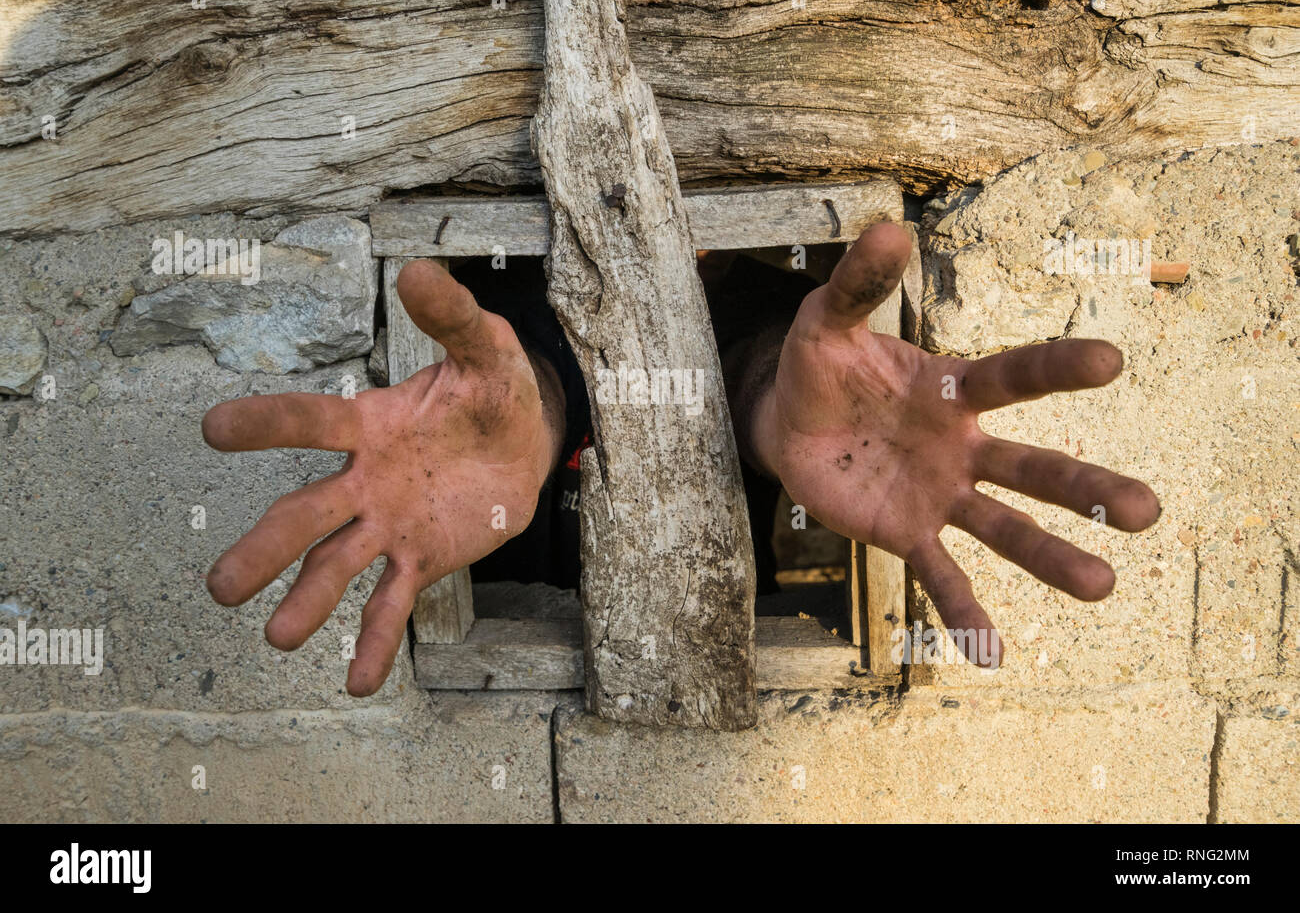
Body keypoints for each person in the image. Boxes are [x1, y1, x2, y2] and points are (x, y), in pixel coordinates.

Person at [200, 222, 1161, 696]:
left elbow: (756, 369)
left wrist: (778, 421)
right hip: (510, 567)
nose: (672, 234)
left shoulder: (766, 290)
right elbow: (536, 365)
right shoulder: (515, 265)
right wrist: (535, 422)